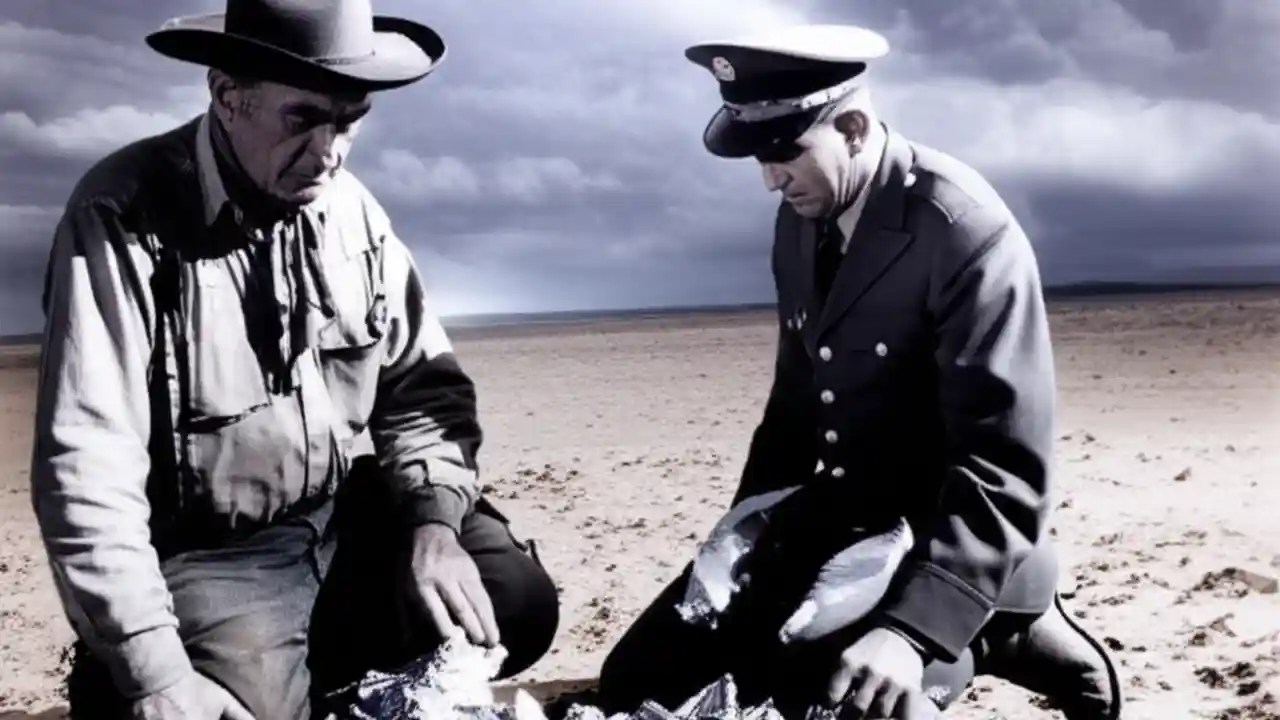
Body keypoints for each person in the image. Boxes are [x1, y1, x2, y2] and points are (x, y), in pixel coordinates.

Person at [28, 1, 558, 718]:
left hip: (341, 518)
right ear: (226, 96)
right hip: (211, 559)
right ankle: (122, 674)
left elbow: (424, 394)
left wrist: (433, 524)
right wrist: (155, 675)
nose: (330, 150)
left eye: (350, 120)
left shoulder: (353, 212)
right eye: (303, 118)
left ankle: (315, 664)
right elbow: (87, 467)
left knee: (515, 599)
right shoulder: (122, 216)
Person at [597, 24, 1121, 720]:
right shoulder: (802, 215)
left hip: (940, 539)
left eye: (785, 152)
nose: (768, 178)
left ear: (850, 126)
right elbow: (795, 407)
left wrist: (911, 632)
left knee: (839, 707)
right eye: (758, 155)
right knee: (640, 682)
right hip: (841, 522)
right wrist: (743, 539)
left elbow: (1005, 467)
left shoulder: (964, 230)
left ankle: (1002, 628)